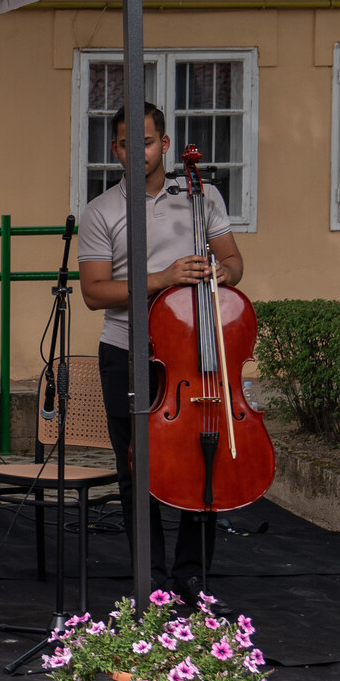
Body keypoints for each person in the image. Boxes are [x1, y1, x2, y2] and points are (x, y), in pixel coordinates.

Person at [78, 102, 245, 594]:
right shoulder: (101, 211)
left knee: (202, 459)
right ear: (115, 149)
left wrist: (223, 272)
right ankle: (149, 579)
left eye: (147, 143)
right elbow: (94, 293)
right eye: (126, 144)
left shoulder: (202, 196)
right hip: (126, 352)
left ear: (165, 144)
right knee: (135, 469)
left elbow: (235, 263)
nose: (138, 153)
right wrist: (164, 278)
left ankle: (191, 574)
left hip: (194, 353)